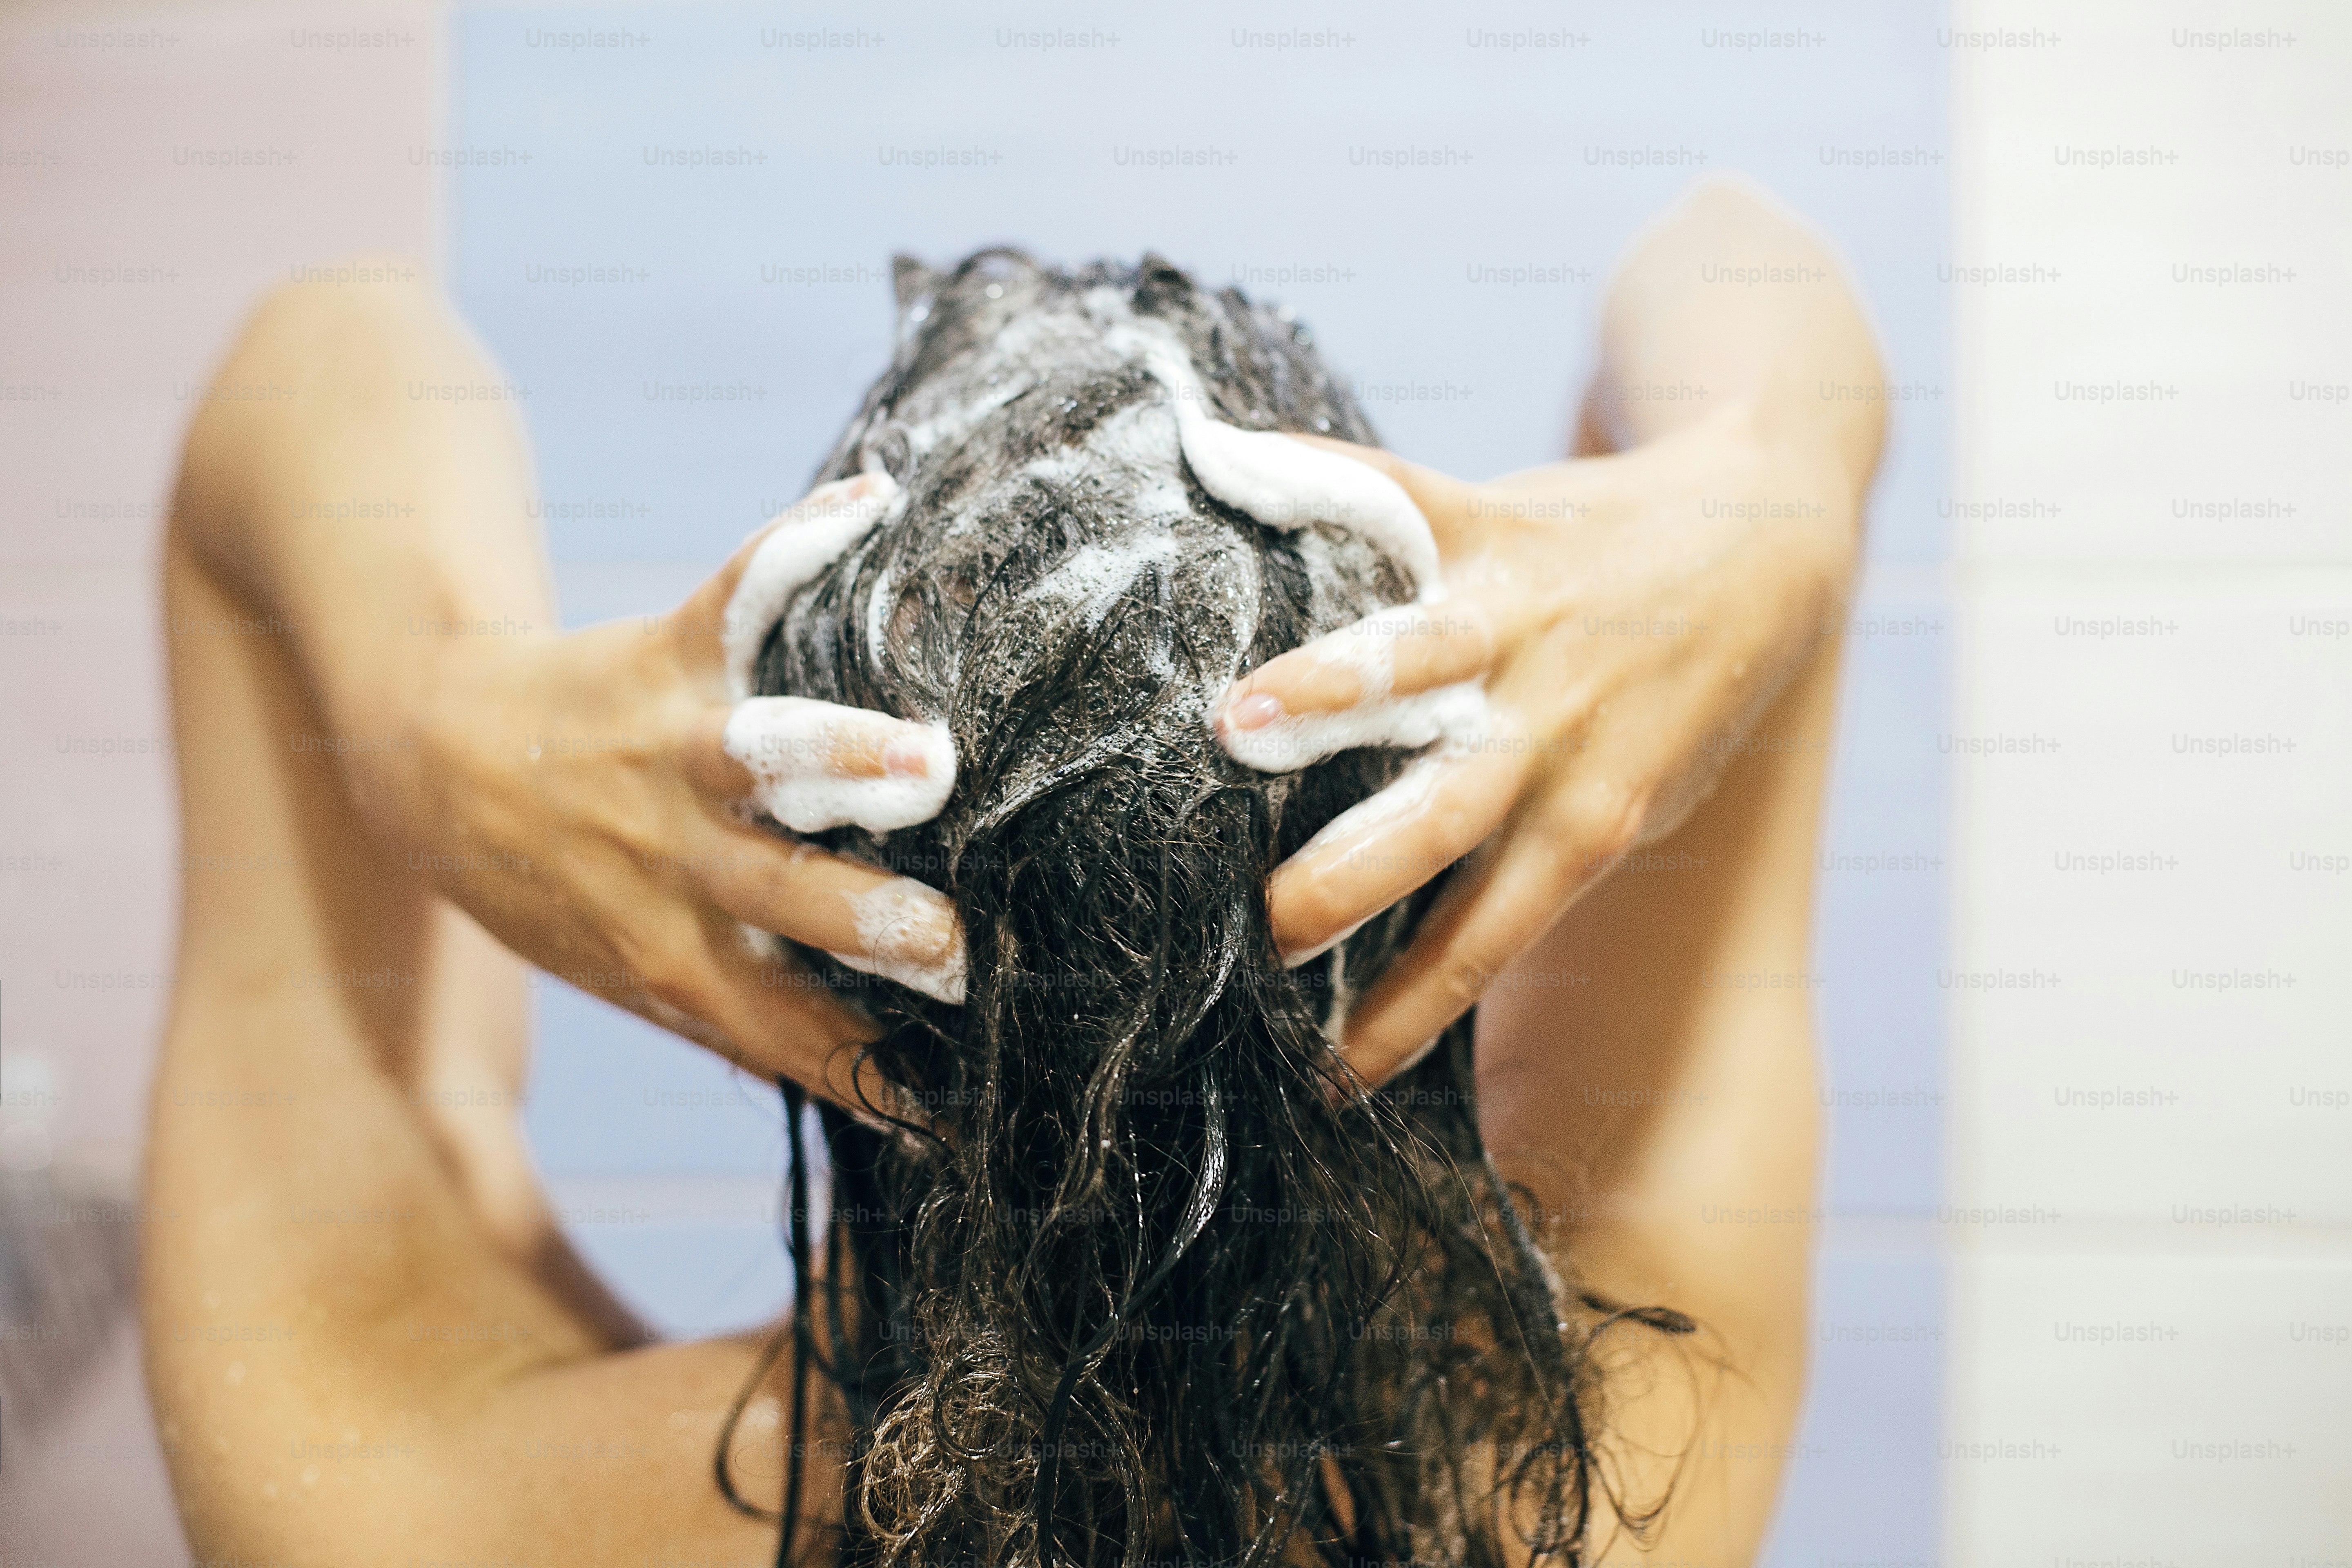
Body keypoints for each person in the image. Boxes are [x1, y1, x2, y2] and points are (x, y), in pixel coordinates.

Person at [143, 177, 1884, 1566]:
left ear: (790, 922)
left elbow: (328, 351)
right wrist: (1772, 499)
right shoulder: (1615, 1475)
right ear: (1429, 861)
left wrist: (431, 716)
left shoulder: (406, 1502)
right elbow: (1740, 253)